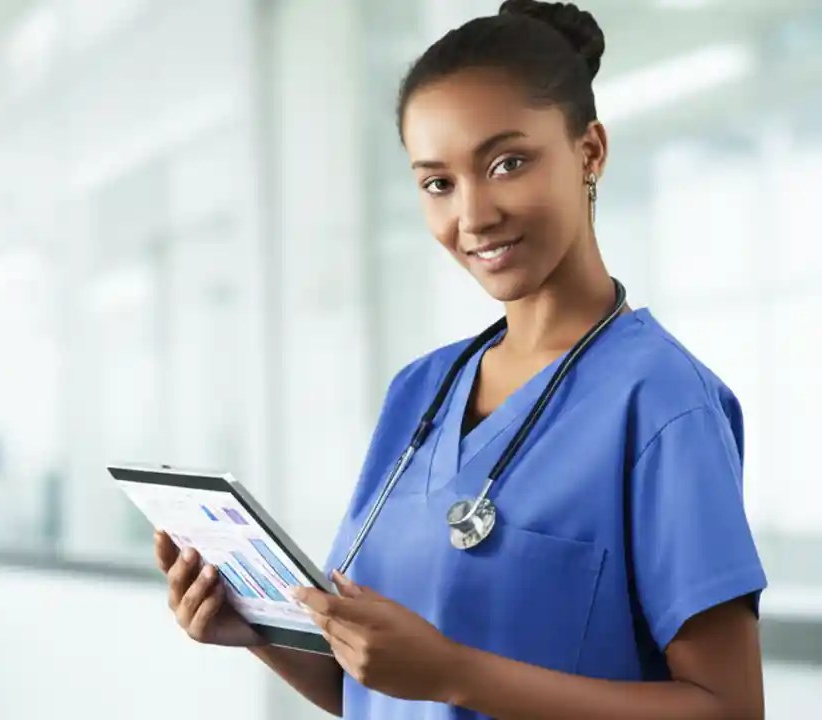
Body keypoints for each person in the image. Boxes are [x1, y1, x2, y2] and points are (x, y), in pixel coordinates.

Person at [152, 1, 767, 718]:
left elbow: (729, 710)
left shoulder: (662, 402)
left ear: (590, 151)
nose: (473, 216)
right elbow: (378, 690)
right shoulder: (421, 391)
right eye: (437, 182)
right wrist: (256, 631)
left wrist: (454, 673)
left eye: (507, 163)